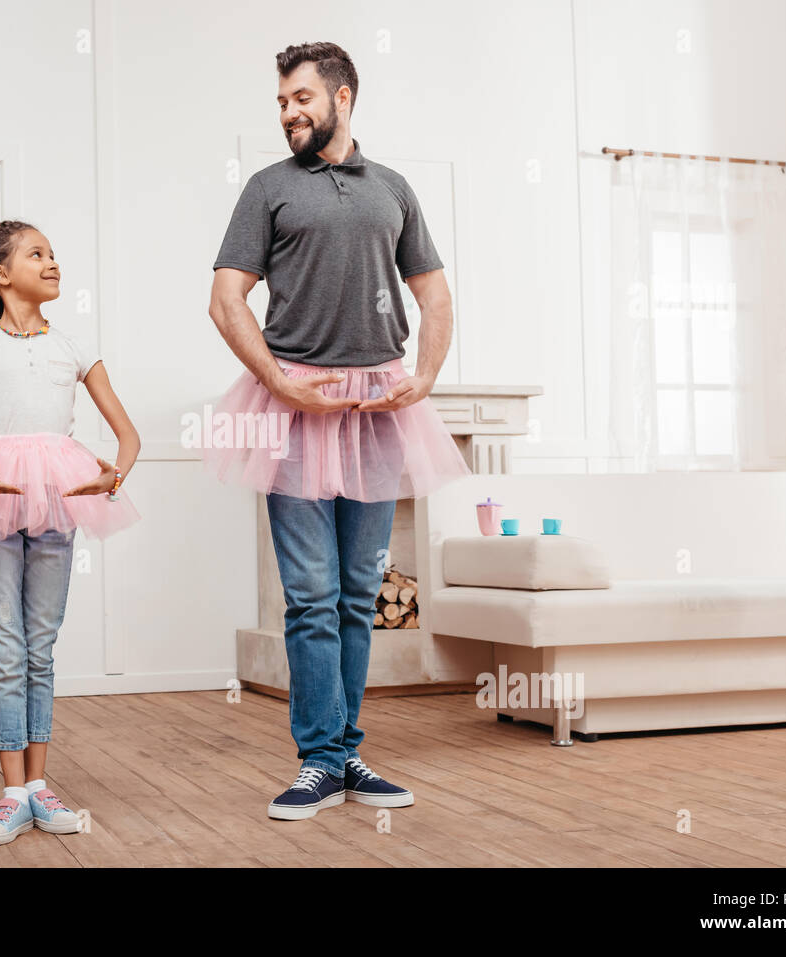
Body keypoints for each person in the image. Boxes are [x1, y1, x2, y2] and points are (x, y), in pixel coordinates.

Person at [206, 42, 472, 821]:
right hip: (294, 408)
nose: (288, 112)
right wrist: (280, 382)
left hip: (379, 413)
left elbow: (437, 298)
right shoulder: (267, 189)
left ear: (342, 97)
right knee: (312, 597)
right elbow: (226, 301)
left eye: (300, 98)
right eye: (281, 102)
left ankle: (348, 751)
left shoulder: (393, 188)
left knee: (358, 594)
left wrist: (423, 375)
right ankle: (318, 760)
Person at [0, 220, 141, 844]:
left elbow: (128, 435)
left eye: (53, 254)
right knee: (6, 649)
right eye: (36, 254)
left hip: (59, 498)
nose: (52, 262)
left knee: (40, 647)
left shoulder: (74, 348)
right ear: (0, 274)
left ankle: (40, 787)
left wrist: (112, 478)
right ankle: (12, 793)